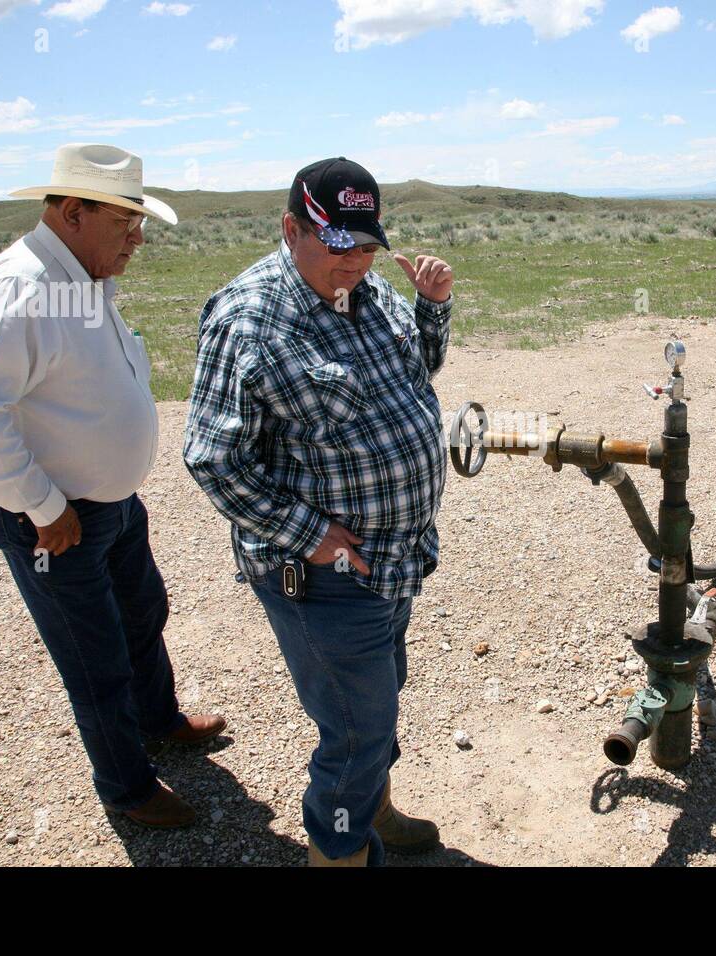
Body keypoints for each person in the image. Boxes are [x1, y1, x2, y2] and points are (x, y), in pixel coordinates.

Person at [0, 143, 225, 829]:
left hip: (112, 507)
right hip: (56, 523)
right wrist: (42, 504)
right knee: (95, 658)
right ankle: (127, 788)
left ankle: (158, 721)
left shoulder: (78, 279)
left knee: (141, 619)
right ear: (72, 212)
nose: (139, 235)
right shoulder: (23, 287)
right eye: (125, 220)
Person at [183, 157, 454, 865]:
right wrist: (311, 534)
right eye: (338, 244)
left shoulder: (367, 290)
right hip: (326, 576)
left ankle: (374, 813)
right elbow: (213, 458)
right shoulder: (250, 320)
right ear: (291, 229)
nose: (356, 261)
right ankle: (339, 847)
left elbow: (416, 368)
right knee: (356, 730)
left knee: (378, 702)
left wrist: (431, 307)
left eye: (367, 246)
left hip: (395, 560)